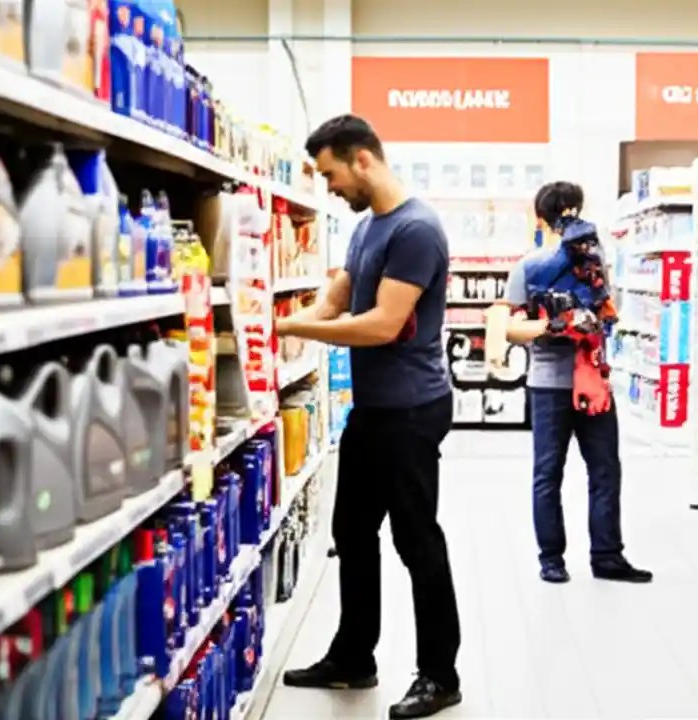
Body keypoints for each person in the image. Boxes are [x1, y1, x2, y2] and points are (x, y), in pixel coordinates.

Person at [275, 114, 461, 720]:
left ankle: (440, 674)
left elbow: (380, 325)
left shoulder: (416, 230)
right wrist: (299, 314)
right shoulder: (367, 228)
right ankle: (355, 656)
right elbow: (341, 296)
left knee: (416, 540)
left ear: (362, 160)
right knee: (351, 533)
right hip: (374, 409)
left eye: (330, 173)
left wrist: (285, 325)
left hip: (411, 408)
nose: (328, 187)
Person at [496, 181, 653, 585]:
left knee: (593, 471)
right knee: (565, 472)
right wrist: (554, 324)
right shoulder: (533, 266)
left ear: (539, 216)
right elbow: (511, 329)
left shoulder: (590, 264)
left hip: (587, 378)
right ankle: (562, 557)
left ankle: (598, 556)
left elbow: (606, 313)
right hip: (556, 382)